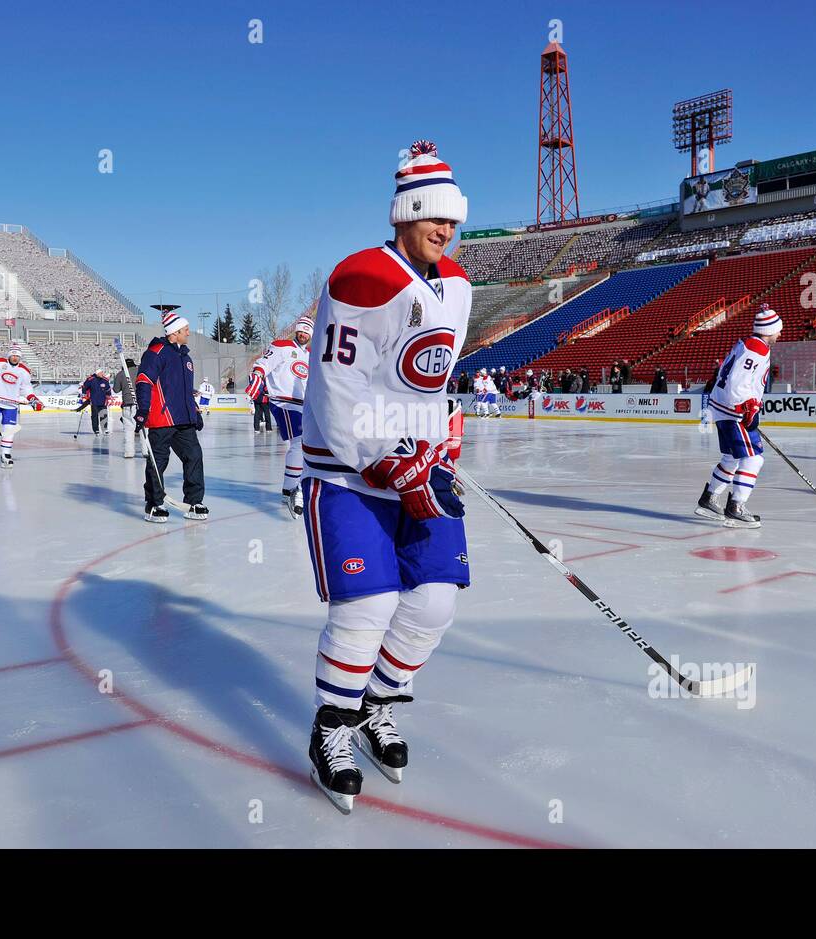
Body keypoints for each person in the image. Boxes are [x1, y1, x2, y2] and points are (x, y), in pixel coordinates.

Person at [300, 140, 471, 813]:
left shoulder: (457, 285)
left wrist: (441, 444)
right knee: (367, 608)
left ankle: (374, 706)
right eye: (434, 216)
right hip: (350, 474)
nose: (446, 229)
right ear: (405, 212)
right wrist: (387, 457)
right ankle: (330, 729)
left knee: (434, 603)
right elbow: (333, 388)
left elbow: (430, 385)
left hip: (420, 470)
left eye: (453, 220)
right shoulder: (360, 277)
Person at [695, 306, 782, 528]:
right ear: (769, 330)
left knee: (731, 458)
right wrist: (748, 407)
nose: (780, 334)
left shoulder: (748, 343)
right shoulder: (757, 348)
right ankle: (736, 506)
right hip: (735, 412)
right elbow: (737, 380)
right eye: (778, 330)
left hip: (724, 408)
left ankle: (709, 498)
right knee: (754, 458)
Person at [135, 311, 208, 521]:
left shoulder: (186, 357)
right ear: (174, 332)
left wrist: (194, 411)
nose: (188, 333)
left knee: (194, 456)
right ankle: (154, 504)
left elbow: (184, 390)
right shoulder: (156, 353)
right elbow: (144, 382)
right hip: (162, 418)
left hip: (184, 419)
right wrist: (143, 411)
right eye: (185, 330)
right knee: (159, 461)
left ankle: (194, 502)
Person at [247, 315, 313, 516]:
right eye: (300, 330)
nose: (302, 334)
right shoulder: (282, 346)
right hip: (283, 402)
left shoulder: (310, 355)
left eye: (306, 332)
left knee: (307, 443)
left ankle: (289, 488)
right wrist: (258, 375)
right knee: (299, 441)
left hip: (303, 405)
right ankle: (291, 488)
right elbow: (263, 363)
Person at [113, 357, 138, 458]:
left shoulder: (120, 374)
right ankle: (147, 451)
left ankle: (129, 452)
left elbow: (116, 390)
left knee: (128, 430)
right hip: (140, 405)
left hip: (127, 404)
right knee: (144, 428)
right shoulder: (140, 371)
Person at [81, 369, 112, 435]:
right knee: (94, 416)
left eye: (102, 373)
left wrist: (109, 396)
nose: (102, 374)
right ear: (97, 373)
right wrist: (84, 396)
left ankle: (105, 429)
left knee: (103, 415)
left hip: (103, 401)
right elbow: (84, 387)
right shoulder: (91, 379)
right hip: (94, 401)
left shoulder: (105, 380)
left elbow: (108, 389)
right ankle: (96, 429)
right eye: (101, 373)